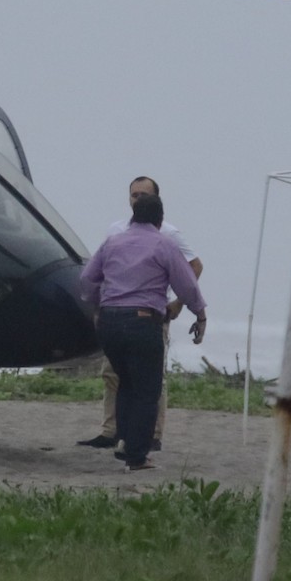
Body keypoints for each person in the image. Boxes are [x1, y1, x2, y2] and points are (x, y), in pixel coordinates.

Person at [77, 191, 206, 472]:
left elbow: (87, 279)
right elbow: (187, 285)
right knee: (148, 389)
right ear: (160, 221)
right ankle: (137, 456)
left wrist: (100, 301)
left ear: (133, 217)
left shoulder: (112, 242)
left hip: (109, 322)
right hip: (143, 321)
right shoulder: (164, 244)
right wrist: (200, 312)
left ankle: (124, 442)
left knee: (125, 383)